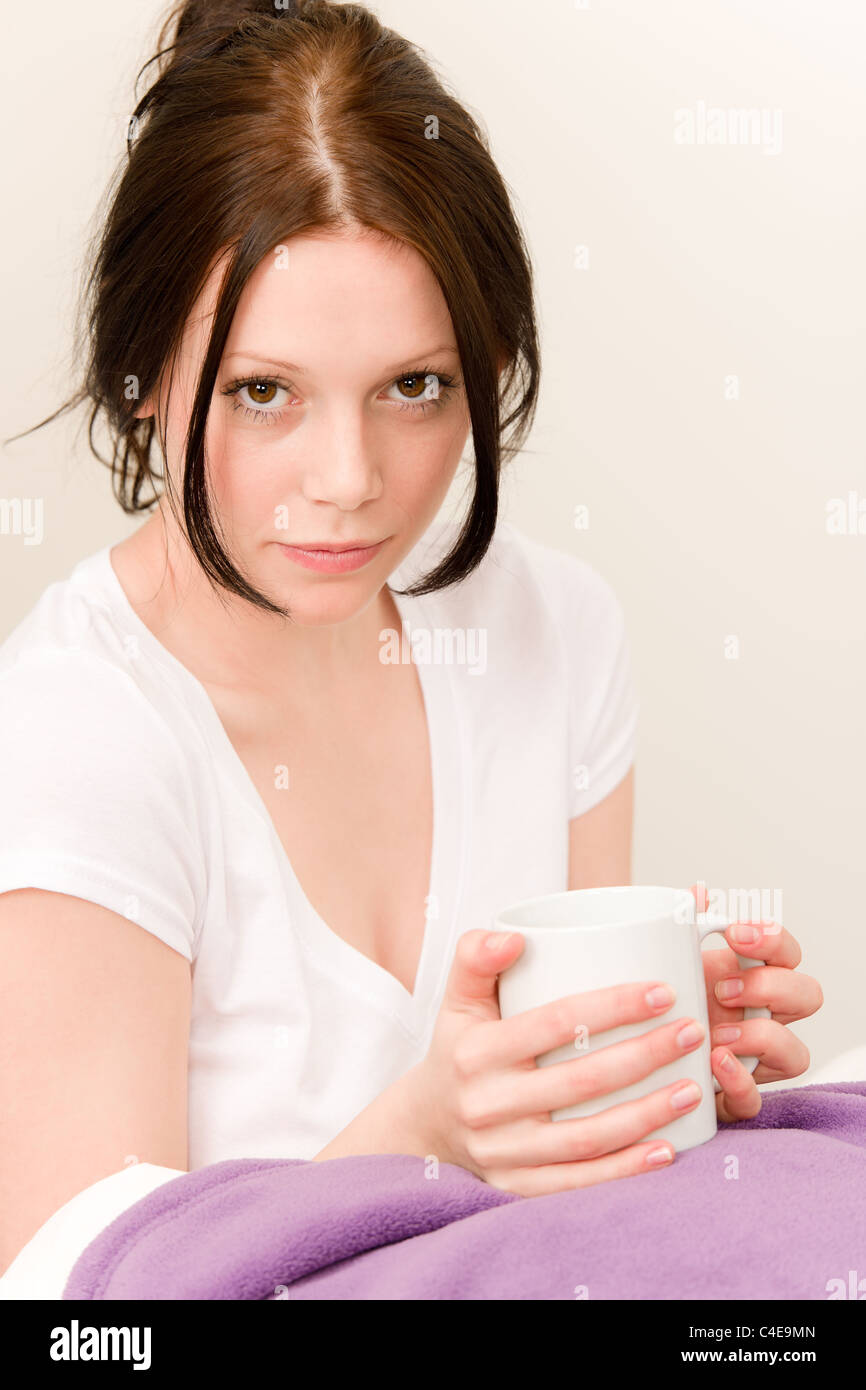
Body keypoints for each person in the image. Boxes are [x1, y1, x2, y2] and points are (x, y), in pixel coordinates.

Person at [0, 0, 821, 1296]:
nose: (348, 480)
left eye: (413, 387)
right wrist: (426, 1134)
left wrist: (653, 1057)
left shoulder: (547, 631)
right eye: (261, 391)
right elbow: (88, 1308)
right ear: (141, 372)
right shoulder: (79, 737)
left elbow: (577, 1198)